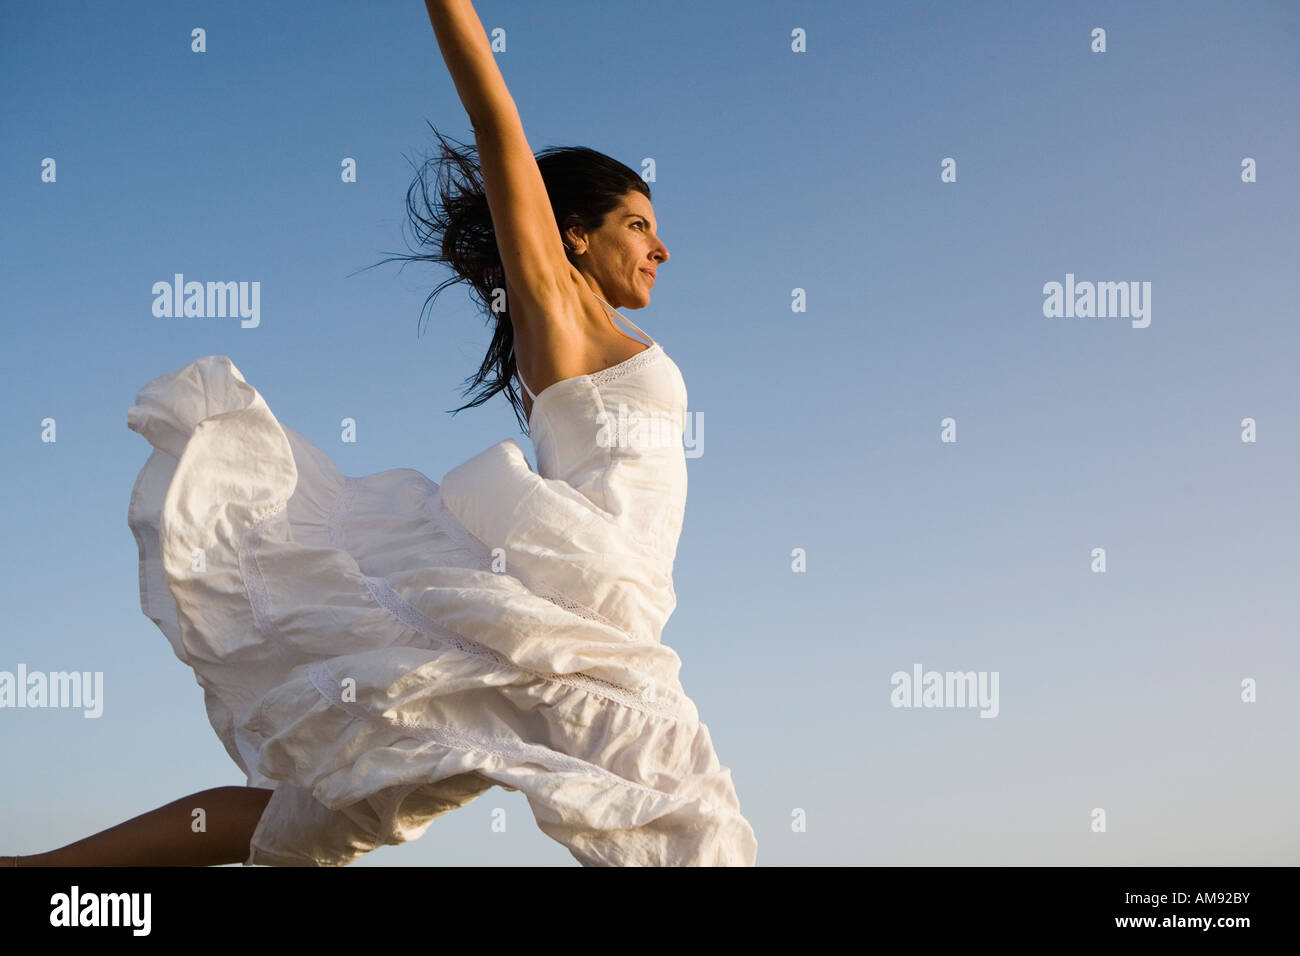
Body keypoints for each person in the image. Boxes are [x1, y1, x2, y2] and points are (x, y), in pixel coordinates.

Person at [4, 0, 756, 867]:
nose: (661, 249)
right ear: (573, 238)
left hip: (572, 609)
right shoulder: (558, 311)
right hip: (579, 616)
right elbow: (494, 116)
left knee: (312, 817)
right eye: (638, 226)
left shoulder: (600, 332)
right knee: (699, 838)